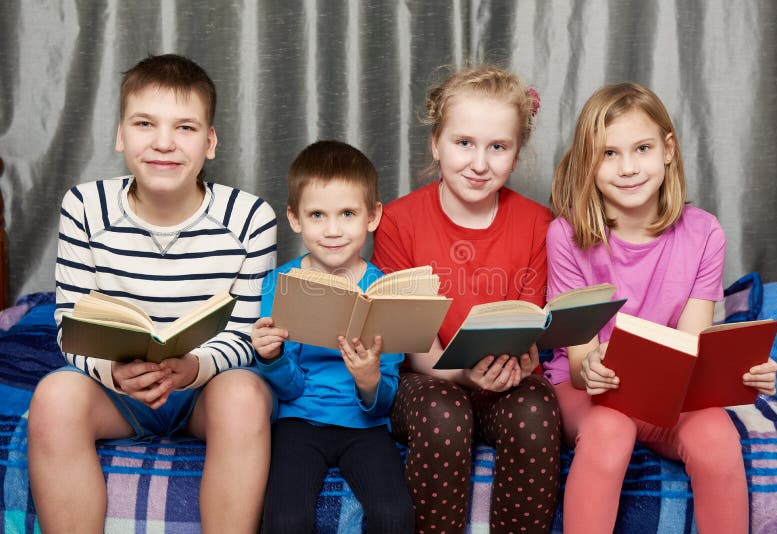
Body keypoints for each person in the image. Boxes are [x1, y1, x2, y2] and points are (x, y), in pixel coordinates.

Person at [27, 54, 277, 533]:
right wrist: (117, 374)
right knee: (53, 395)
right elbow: (70, 326)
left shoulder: (250, 217)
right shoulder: (84, 206)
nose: (164, 143)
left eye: (185, 128)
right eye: (145, 124)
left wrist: (193, 368)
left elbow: (248, 334)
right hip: (115, 391)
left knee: (245, 395)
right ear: (121, 134)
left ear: (210, 143)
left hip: (207, 390)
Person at [545, 82, 777, 534]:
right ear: (587, 163)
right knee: (610, 432)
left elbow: (694, 346)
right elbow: (578, 366)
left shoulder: (704, 233)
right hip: (592, 391)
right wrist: (593, 366)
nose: (628, 167)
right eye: (608, 153)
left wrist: (745, 372)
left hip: (668, 394)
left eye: (642, 148)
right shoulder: (566, 236)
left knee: (715, 434)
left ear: (667, 150)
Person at [372, 65, 561, 533]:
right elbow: (411, 344)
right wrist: (460, 374)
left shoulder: (539, 224)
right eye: (464, 143)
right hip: (428, 378)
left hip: (503, 380)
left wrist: (519, 364)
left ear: (516, 155)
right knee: (444, 411)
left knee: (537, 411)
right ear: (435, 143)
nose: (480, 163)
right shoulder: (398, 221)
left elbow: (528, 322)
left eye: (498, 147)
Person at [253, 140, 414, 534]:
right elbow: (287, 390)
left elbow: (384, 401)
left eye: (347, 213)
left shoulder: (385, 290)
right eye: (317, 215)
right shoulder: (280, 284)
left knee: (395, 516)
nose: (333, 230)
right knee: (285, 519)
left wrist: (368, 379)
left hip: (366, 426)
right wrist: (271, 359)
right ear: (295, 218)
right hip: (299, 421)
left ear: (373, 216)